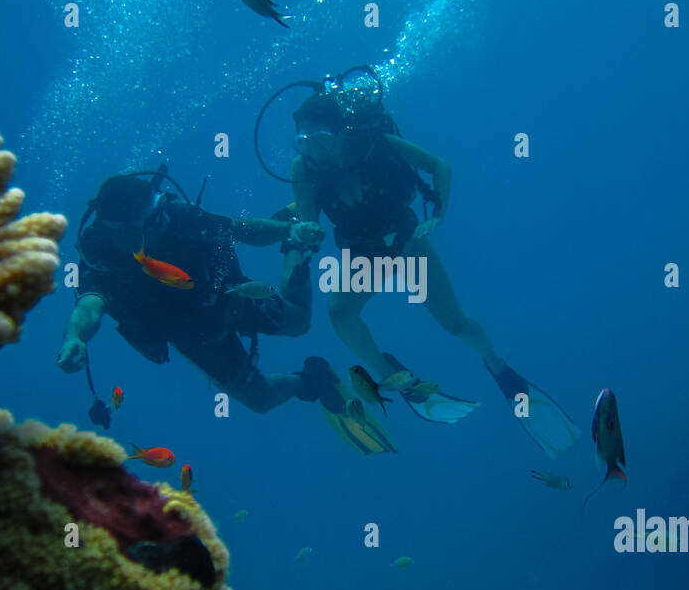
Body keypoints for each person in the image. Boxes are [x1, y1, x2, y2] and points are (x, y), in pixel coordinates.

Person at [281, 78, 579, 456]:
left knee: (454, 323)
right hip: (361, 253)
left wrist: (438, 213)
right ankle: (390, 375)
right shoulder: (302, 170)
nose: (311, 149)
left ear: (340, 131)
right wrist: (305, 231)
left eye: (318, 136)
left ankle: (498, 366)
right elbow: (310, 221)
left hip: (405, 240)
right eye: (301, 142)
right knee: (340, 314)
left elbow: (440, 166)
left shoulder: (376, 144)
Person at [57, 169, 396, 455]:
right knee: (261, 401)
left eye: (158, 210)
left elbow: (240, 230)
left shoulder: (177, 217)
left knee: (299, 323)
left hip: (226, 295)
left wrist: (288, 231)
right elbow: (89, 305)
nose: (161, 221)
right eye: (150, 219)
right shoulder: (99, 259)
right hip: (189, 334)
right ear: (118, 227)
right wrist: (75, 337)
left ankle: (295, 247)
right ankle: (314, 378)